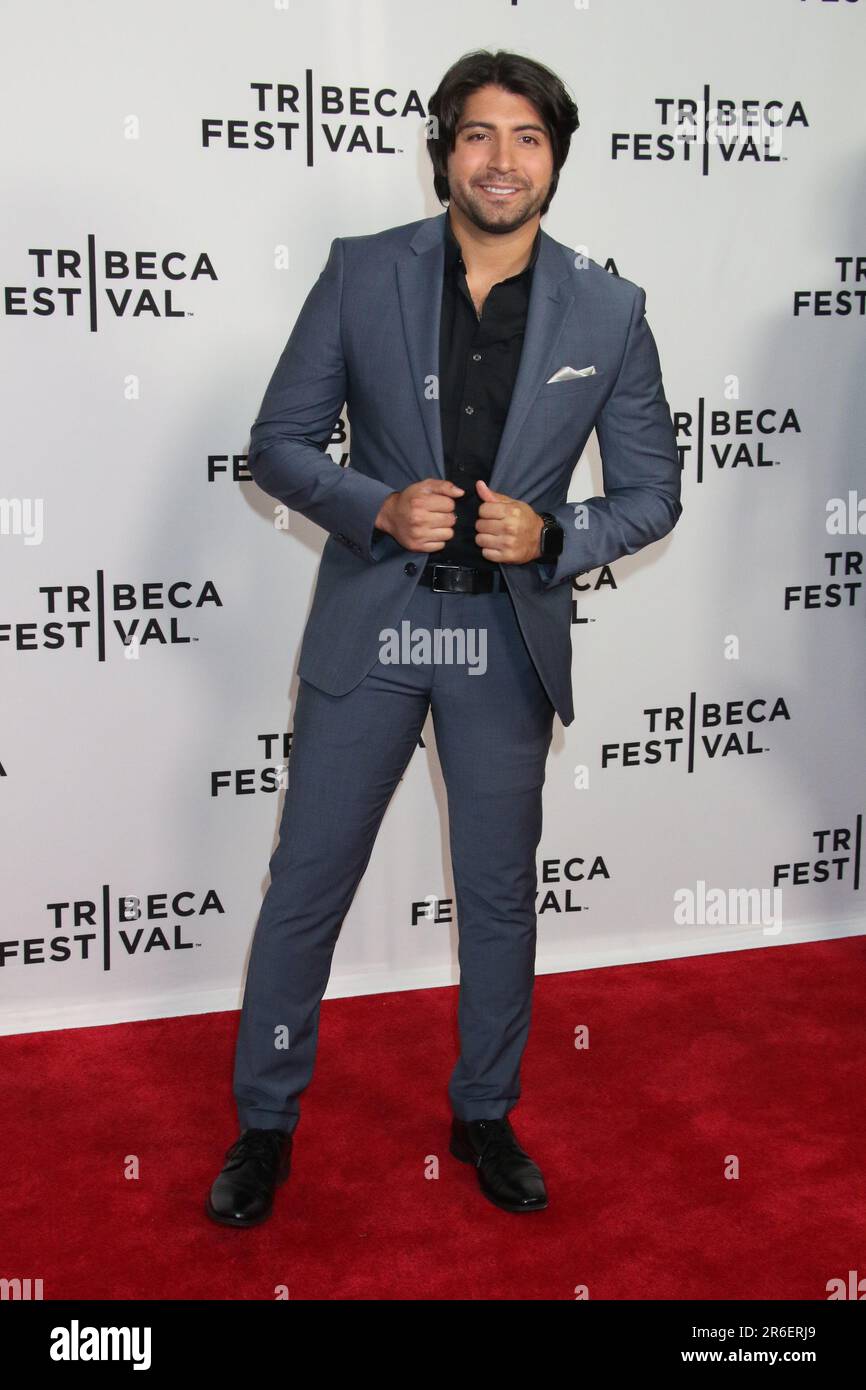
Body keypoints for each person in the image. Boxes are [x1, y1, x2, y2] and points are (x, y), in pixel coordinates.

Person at [207, 48, 682, 1227]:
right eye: (477, 134)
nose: (501, 159)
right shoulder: (364, 274)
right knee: (305, 882)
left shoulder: (609, 310)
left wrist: (553, 532)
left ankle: (483, 1111)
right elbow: (275, 442)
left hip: (501, 649)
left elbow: (651, 493)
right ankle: (264, 1123)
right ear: (442, 153)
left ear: (556, 158)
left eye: (526, 137)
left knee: (497, 895)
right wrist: (370, 502)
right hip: (374, 626)